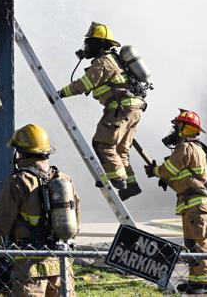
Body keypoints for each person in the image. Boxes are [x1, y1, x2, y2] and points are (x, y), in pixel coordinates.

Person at [0, 124, 81, 296]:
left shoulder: (18, 182)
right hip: (61, 264)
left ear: (20, 153)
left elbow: (1, 221)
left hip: (29, 266)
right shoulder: (64, 180)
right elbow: (75, 218)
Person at [57, 22, 147, 200]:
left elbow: (85, 84)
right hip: (133, 109)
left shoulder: (103, 62)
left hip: (120, 108)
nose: (87, 47)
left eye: (90, 43)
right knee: (120, 150)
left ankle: (117, 179)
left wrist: (60, 94)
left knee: (102, 144)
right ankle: (131, 185)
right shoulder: (113, 60)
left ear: (101, 44)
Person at [145, 109, 207, 294]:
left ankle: (206, 283)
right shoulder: (196, 148)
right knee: (192, 244)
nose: (174, 129)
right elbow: (181, 176)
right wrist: (167, 178)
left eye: (177, 126)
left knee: (199, 245)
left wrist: (155, 171)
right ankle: (196, 281)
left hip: (196, 206)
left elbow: (169, 168)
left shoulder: (185, 148)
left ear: (185, 128)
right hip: (192, 206)